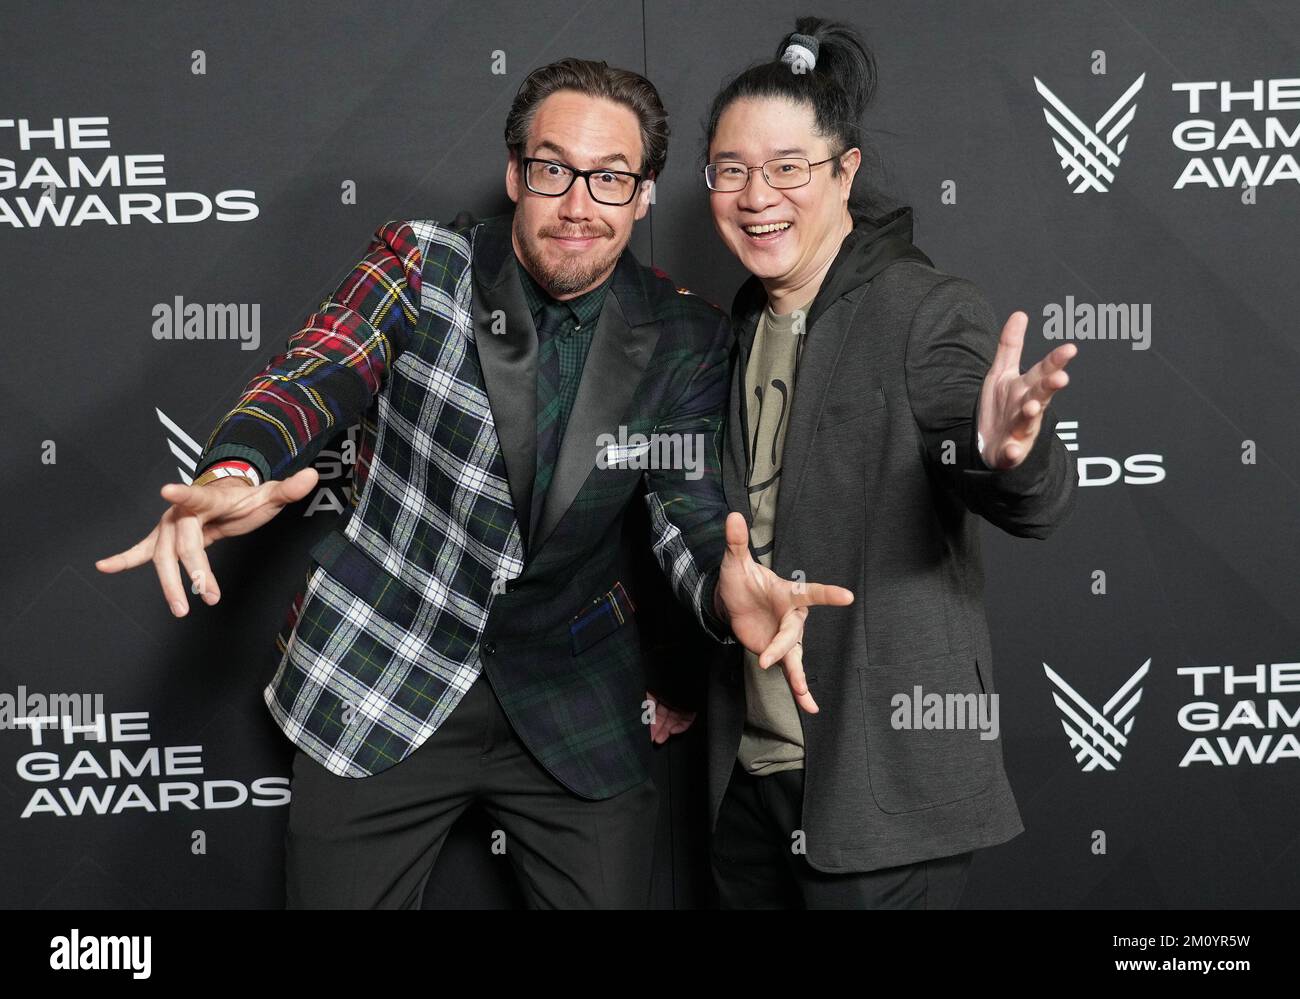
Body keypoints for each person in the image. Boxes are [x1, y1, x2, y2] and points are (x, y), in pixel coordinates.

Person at [96, 56, 852, 909]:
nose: (577, 204)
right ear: (515, 174)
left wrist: (723, 589)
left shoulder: (686, 333)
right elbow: (315, 373)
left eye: (610, 179)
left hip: (573, 696)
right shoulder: (421, 264)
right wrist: (237, 466)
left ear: (643, 196)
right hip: (384, 665)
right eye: (552, 169)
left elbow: (684, 506)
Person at [698, 17, 1078, 908]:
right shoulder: (745, 320)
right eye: (731, 170)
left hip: (878, 789)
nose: (758, 195)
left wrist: (1001, 454)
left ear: (846, 172)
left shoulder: (923, 308)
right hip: (751, 782)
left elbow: (1024, 488)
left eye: (789, 166)